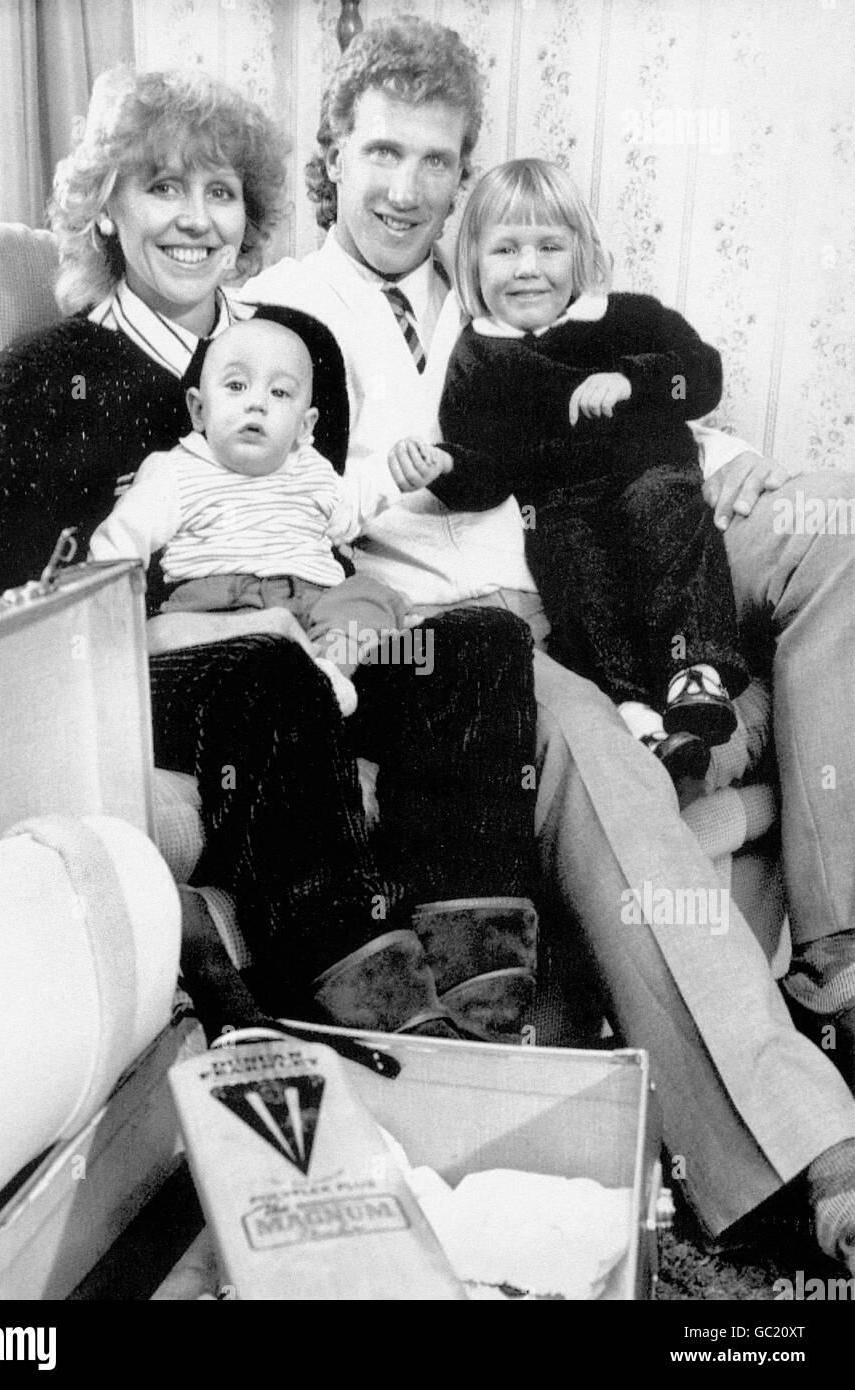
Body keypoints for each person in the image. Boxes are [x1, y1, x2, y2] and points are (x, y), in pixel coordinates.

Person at [243, 13, 855, 1271]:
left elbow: (610, 373)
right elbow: (270, 501)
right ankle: (807, 1150)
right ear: (330, 159)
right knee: (595, 752)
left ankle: (841, 951)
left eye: (434, 160)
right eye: (380, 154)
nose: (406, 189)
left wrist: (722, 465)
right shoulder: (284, 317)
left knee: (832, 532)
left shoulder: (484, 274)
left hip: (590, 548)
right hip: (465, 625)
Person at [0, 65, 539, 1045]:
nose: (194, 219)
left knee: (474, 646)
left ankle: (484, 999)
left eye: (219, 191)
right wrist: (211, 617)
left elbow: (321, 531)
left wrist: (353, 601)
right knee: (266, 666)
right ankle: (370, 999)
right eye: (161, 186)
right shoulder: (49, 374)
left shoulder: (295, 347)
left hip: (292, 639)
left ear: (250, 213)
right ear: (107, 208)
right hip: (151, 670)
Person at [409, 156, 750, 783]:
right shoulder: (479, 357)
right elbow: (485, 473)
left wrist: (633, 379)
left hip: (651, 471)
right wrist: (441, 467)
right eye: (504, 250)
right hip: (561, 505)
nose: (528, 267)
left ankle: (695, 672)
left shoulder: (622, 316)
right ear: (473, 264)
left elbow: (702, 375)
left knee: (664, 513)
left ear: (580, 252)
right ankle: (636, 717)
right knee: (570, 571)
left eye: (548, 246)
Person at [90, 314, 416, 716]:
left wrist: (395, 480)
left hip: (316, 598)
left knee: (371, 597)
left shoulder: (311, 468)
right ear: (198, 409)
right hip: (222, 603)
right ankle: (315, 673)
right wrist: (109, 598)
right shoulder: (176, 470)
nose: (256, 403)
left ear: (304, 425)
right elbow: (124, 536)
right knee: (247, 654)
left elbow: (348, 512)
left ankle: (328, 666)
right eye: (236, 386)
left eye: (280, 393)